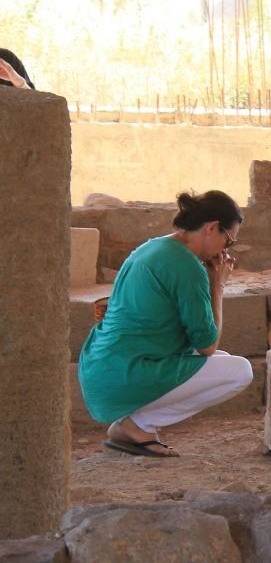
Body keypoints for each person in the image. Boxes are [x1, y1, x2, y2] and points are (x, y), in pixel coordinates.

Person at [78, 190, 253, 457]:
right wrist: (217, 286)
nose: (225, 251)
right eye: (228, 241)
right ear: (212, 228)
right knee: (240, 371)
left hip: (101, 368)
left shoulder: (152, 246)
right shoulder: (188, 267)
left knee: (223, 359)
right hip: (125, 373)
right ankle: (137, 425)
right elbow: (206, 344)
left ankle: (133, 422)